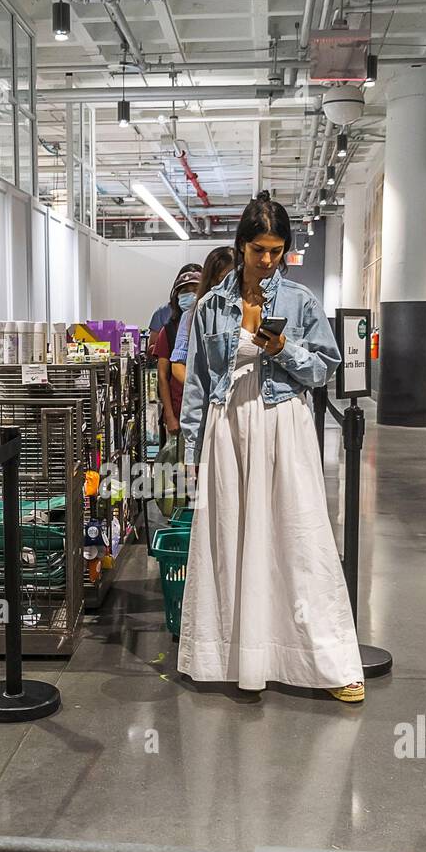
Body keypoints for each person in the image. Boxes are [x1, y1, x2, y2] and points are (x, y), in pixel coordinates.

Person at [177, 192, 365, 704]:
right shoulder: (211, 305)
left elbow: (324, 367)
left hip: (284, 425)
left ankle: (326, 660)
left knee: (300, 538)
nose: (267, 260)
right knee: (228, 535)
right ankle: (230, 656)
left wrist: (282, 348)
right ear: (241, 247)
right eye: (259, 249)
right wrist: (191, 452)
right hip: (228, 427)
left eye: (276, 250)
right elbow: (197, 382)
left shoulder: (301, 303)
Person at [170, 246, 236, 390]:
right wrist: (201, 390)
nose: (229, 285)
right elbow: (177, 364)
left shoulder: (253, 310)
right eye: (222, 279)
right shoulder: (193, 314)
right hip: (214, 401)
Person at [151, 264, 203, 438]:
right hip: (179, 408)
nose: (190, 295)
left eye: (194, 289)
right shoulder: (169, 330)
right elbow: (163, 376)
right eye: (184, 291)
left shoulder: (209, 325)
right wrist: (170, 415)